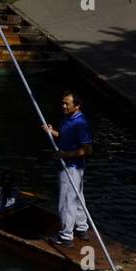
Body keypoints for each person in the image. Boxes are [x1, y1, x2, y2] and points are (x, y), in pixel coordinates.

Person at [43, 91, 93, 246]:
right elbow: (64, 137)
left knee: (67, 201)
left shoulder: (81, 123)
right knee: (77, 197)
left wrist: (66, 154)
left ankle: (65, 236)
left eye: (67, 104)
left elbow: (88, 149)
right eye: (63, 103)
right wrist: (52, 132)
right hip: (66, 164)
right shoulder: (67, 119)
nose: (63, 106)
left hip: (72, 167)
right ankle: (82, 227)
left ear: (76, 106)